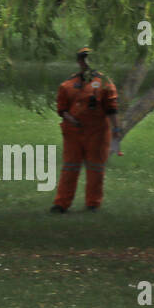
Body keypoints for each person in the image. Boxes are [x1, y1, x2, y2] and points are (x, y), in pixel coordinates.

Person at [51, 48, 120, 213]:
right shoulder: (68, 84)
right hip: (73, 133)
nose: (86, 62)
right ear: (79, 62)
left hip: (97, 133)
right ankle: (61, 203)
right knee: (69, 168)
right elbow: (62, 109)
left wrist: (116, 131)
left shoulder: (105, 83)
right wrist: (71, 119)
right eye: (83, 59)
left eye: (89, 59)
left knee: (95, 169)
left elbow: (111, 108)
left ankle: (93, 203)